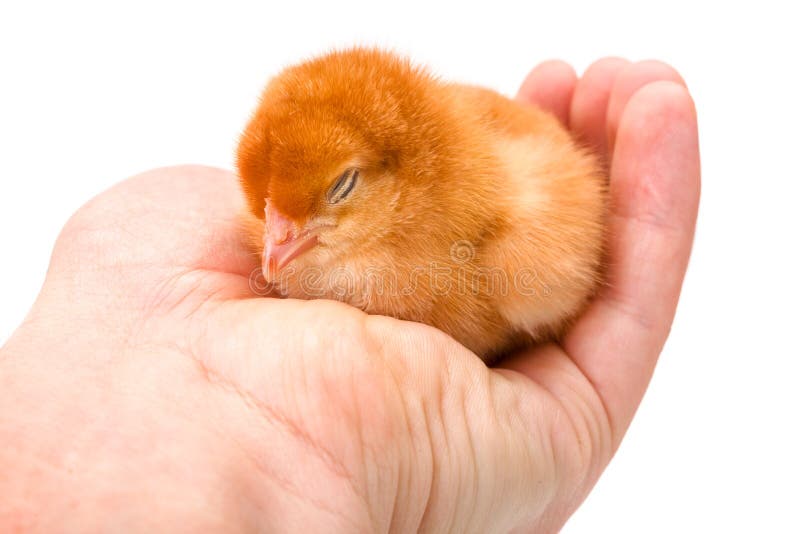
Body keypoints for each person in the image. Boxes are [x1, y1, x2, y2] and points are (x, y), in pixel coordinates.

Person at [0, 58, 699, 532]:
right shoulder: (280, 230)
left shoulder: (515, 236)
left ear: (407, 172)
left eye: (337, 190)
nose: (271, 250)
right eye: (265, 209)